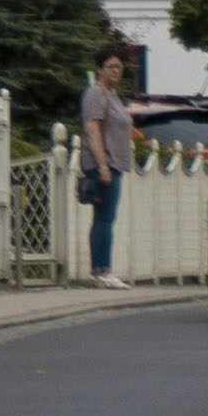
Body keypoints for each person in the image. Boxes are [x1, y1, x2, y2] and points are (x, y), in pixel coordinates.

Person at [78, 42, 139, 280]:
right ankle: (102, 270)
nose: (116, 71)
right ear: (100, 69)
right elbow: (92, 128)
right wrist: (102, 165)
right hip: (104, 165)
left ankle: (103, 269)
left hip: (115, 164)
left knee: (107, 217)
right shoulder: (96, 93)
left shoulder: (112, 94)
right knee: (104, 218)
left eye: (119, 66)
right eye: (111, 66)